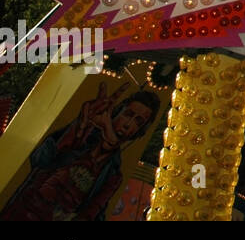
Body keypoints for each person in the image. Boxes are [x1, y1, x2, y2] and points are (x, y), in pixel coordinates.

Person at [0, 85, 161, 221]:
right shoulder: (82, 135)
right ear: (117, 112)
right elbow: (40, 159)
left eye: (138, 122)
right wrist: (81, 124)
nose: (128, 124)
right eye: (128, 114)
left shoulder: (113, 174)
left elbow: (92, 214)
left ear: (139, 131)